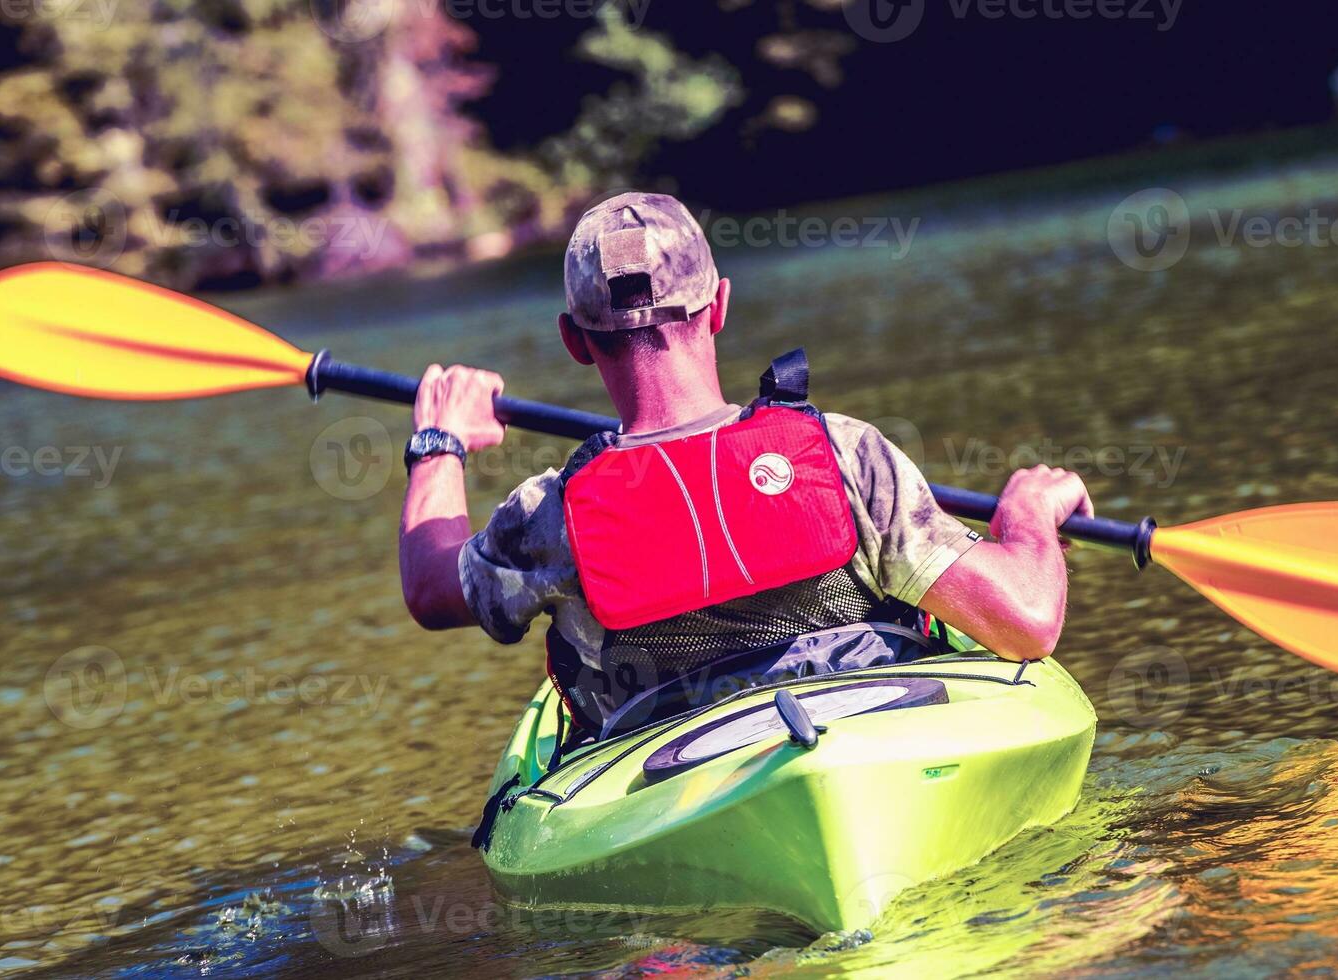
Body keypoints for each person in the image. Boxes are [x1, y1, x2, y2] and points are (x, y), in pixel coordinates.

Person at [398, 192, 1093, 736]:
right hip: (875, 731)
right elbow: (1026, 622)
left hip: (669, 768)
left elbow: (432, 589)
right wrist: (1026, 514)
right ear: (719, 305)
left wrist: (439, 441)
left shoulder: (553, 515)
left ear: (573, 342)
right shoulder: (843, 454)